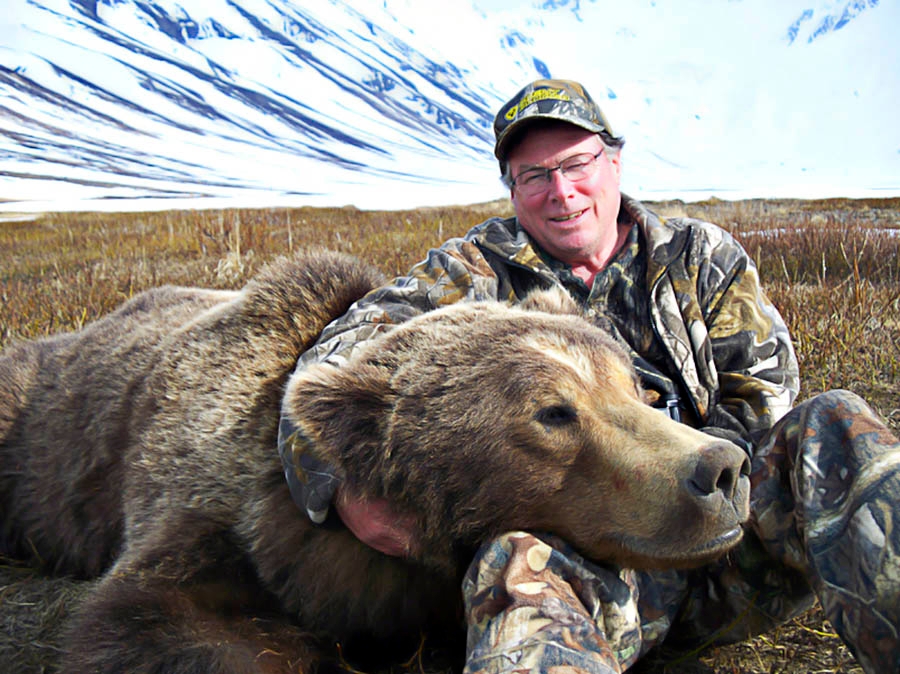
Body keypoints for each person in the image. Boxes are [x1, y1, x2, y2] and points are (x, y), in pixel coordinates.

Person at [278, 79, 900, 673]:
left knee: (836, 423)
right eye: (536, 176)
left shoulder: (701, 257)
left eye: (577, 164)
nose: (563, 191)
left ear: (615, 163)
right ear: (512, 189)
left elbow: (763, 395)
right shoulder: (469, 272)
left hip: (722, 525)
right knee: (514, 561)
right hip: (582, 579)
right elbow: (326, 371)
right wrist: (340, 489)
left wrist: (686, 483)